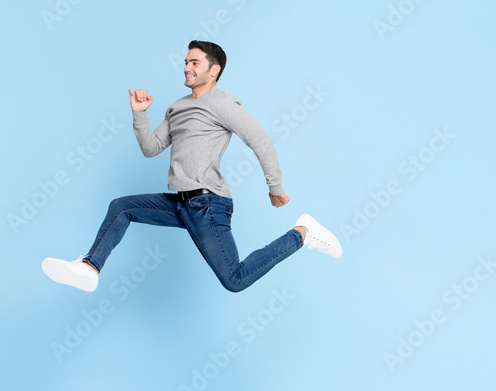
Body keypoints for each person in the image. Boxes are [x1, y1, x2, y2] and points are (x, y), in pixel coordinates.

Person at [42, 40, 341, 293]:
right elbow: (151, 148)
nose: (186, 67)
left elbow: (261, 142)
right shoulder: (178, 107)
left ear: (214, 70)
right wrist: (140, 115)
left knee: (234, 280)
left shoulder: (222, 104)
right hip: (180, 203)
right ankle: (89, 268)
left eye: (195, 63)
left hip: (208, 205)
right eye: (186, 61)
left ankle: (302, 234)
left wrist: (274, 187)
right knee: (121, 207)